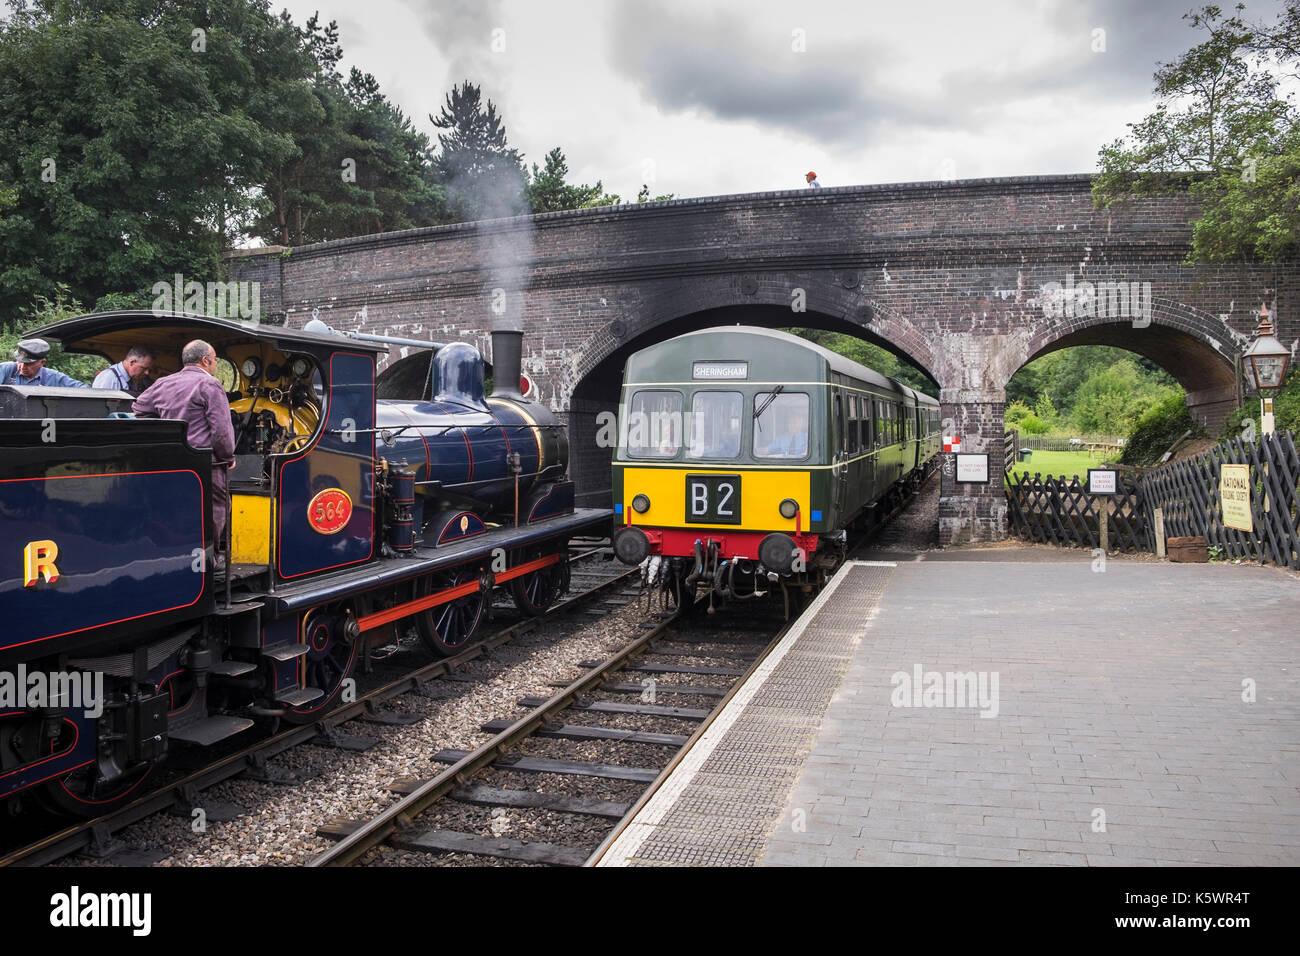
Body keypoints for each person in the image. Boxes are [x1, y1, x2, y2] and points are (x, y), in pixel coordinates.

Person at [133, 340, 236, 561]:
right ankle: (210, 562)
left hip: (176, 461)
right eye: (215, 359)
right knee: (214, 511)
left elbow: (139, 409)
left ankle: (180, 557)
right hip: (207, 462)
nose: (215, 364)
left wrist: (168, 437)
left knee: (178, 511)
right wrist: (227, 457)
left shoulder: (163, 383)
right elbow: (221, 430)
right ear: (206, 360)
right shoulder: (210, 385)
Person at [0, 339, 89, 387]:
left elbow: (84, 389)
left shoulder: (54, 377)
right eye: (20, 361)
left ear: (42, 362)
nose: (22, 367)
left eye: (28, 364)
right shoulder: (6, 369)